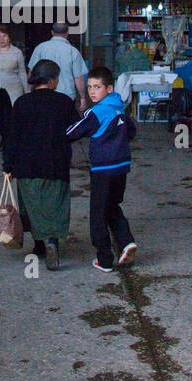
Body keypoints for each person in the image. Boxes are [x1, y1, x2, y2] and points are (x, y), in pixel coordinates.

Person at [2, 60, 79, 271]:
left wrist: (7, 165)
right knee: (56, 204)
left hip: (26, 166)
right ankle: (52, 242)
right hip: (56, 163)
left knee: (33, 205)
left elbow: (12, 137)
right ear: (53, 81)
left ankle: (38, 245)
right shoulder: (64, 102)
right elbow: (75, 132)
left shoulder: (22, 103)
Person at [66, 66, 138, 273]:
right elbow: (131, 132)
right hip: (122, 167)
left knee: (98, 213)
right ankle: (126, 242)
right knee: (112, 206)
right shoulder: (119, 108)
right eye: (89, 87)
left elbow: (73, 132)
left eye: (97, 87)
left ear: (109, 88)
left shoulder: (97, 112)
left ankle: (104, 259)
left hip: (103, 169)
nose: (91, 92)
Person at [28, 22, 89, 110]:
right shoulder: (73, 51)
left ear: (52, 32)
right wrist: (82, 97)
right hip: (66, 96)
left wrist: (29, 91)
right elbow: (79, 77)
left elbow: (31, 72)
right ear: (67, 32)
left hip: (42, 96)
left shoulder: (40, 48)